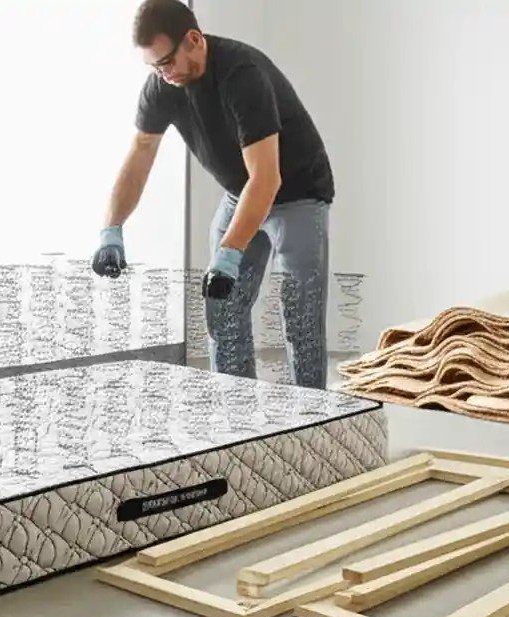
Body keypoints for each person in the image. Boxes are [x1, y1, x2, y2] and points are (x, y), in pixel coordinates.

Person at [92, 0, 335, 389]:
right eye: (153, 66)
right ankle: (236, 410)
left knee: (299, 319)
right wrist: (111, 229)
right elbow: (140, 155)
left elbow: (267, 179)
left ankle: (310, 421)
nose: (162, 74)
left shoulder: (242, 75)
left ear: (193, 39)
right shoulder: (162, 85)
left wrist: (229, 253)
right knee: (221, 306)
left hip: (297, 195)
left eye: (167, 62)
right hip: (242, 193)